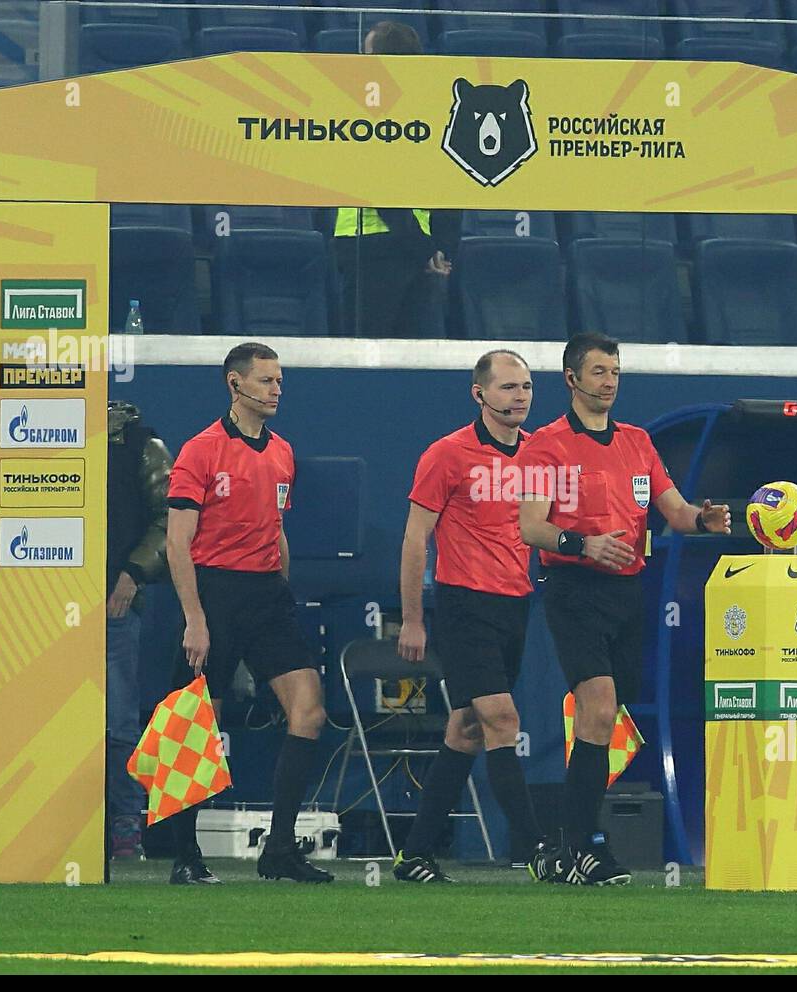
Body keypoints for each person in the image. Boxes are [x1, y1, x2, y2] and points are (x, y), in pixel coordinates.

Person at [517, 331, 732, 885]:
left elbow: (676, 511)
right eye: (598, 372)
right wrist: (583, 544)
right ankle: (586, 845)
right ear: (571, 380)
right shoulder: (545, 446)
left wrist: (703, 519)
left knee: (609, 715)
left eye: (615, 371)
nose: (609, 381)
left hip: (627, 592)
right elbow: (531, 527)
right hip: (574, 588)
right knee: (597, 706)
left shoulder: (637, 442)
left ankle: (565, 845)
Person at [164, 342, 333, 886]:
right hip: (215, 593)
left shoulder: (282, 451)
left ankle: (279, 850)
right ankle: (184, 855)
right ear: (235, 385)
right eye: (265, 380)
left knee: (308, 711)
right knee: (197, 723)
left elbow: (276, 527)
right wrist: (195, 618)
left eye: (279, 380)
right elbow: (177, 543)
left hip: (266, 594)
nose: (276, 389)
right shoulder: (201, 451)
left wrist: (281, 586)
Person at [394, 350, 553, 882]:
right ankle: (537, 849)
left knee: (465, 730)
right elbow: (415, 538)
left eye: (526, 386)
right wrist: (413, 618)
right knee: (502, 720)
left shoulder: (539, 454)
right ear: (479, 394)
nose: (520, 396)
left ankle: (414, 854)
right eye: (508, 387)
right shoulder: (447, 454)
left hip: (515, 603)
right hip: (464, 604)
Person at [332, 20, 459, 339]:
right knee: (414, 355)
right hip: (418, 250)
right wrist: (438, 249)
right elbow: (452, 183)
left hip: (373, 247)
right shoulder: (434, 108)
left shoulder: (368, 111)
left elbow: (382, 187)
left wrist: (427, 249)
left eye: (366, 55)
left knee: (368, 355)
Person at [106, 400, 172, 859]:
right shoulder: (36, 435)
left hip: (113, 604)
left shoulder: (140, 445)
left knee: (118, 720)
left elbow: (171, 518)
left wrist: (132, 575)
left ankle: (126, 823)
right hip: (48, 608)